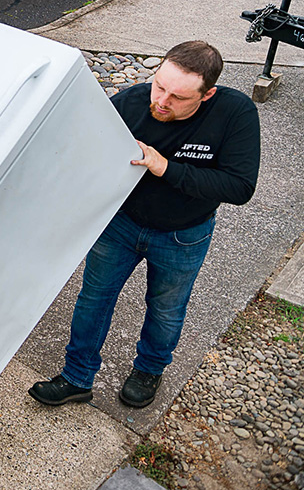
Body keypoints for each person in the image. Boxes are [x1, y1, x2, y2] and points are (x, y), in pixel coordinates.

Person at [29, 41, 260, 409]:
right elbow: (85, 149)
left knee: (166, 308)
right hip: (121, 224)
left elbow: (240, 186)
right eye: (160, 86)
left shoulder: (235, 113)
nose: (162, 101)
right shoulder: (133, 100)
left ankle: (149, 370)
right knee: (94, 299)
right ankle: (76, 377)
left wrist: (165, 166)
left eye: (178, 97)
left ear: (208, 94)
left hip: (183, 234)